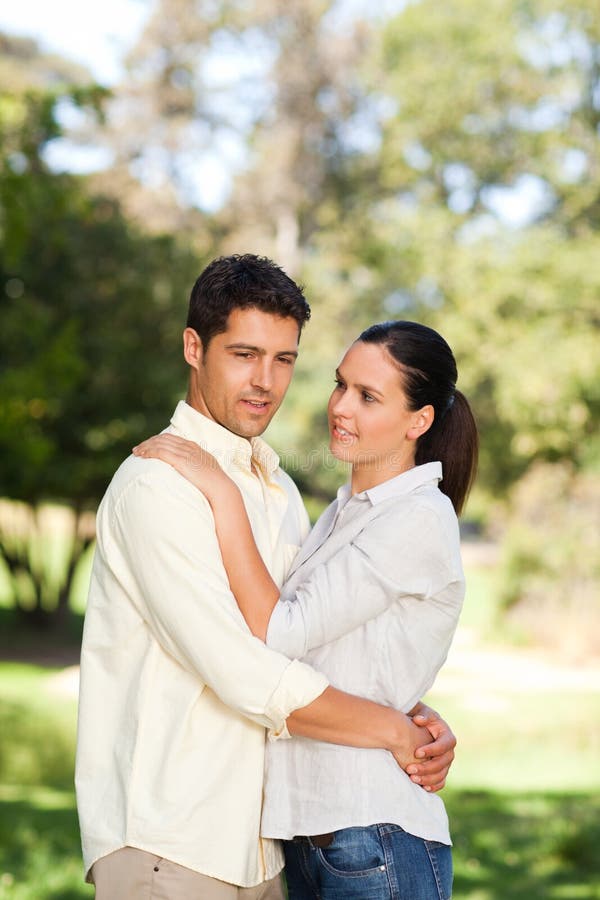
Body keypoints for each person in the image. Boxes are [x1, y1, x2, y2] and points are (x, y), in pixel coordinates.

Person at [76, 254, 456, 900]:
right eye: (244, 355)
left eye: (283, 360)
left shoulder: (279, 491)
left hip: (265, 850)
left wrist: (410, 712)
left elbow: (306, 640)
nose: (265, 381)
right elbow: (245, 672)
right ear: (194, 348)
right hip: (172, 842)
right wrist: (393, 730)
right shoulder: (158, 487)